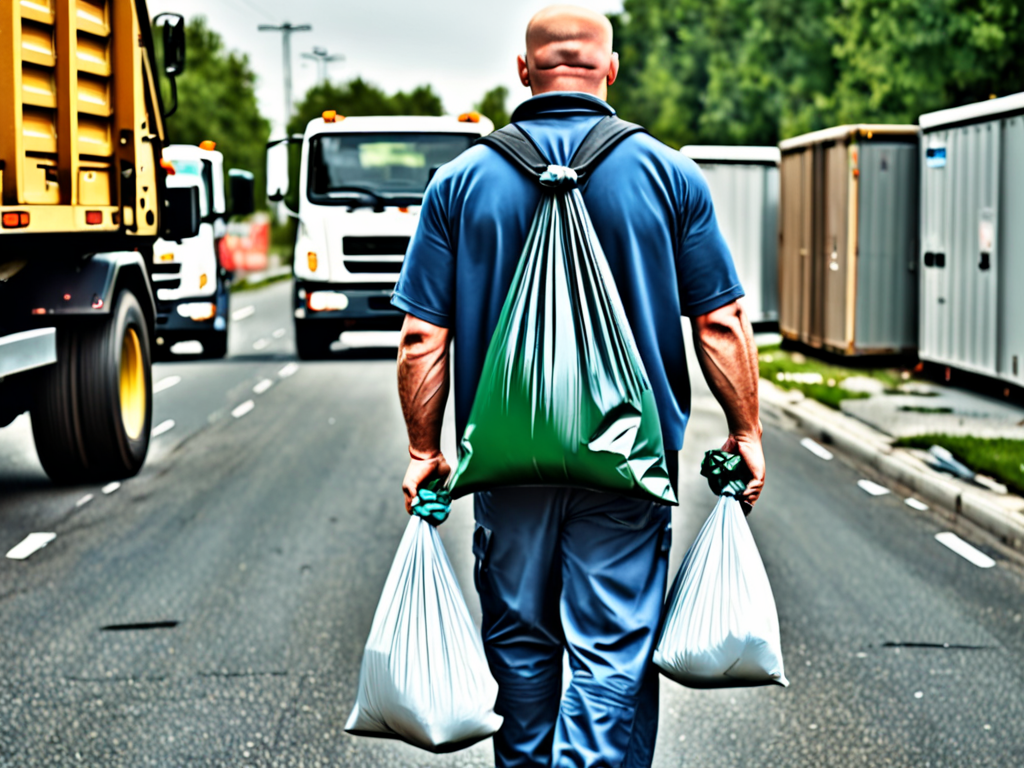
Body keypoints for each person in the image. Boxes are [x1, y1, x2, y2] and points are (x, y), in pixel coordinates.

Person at [392, 5, 764, 766]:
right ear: (612, 70)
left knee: (521, 651)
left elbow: (422, 337)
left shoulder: (460, 184)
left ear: (524, 71)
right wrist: (745, 433)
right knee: (611, 652)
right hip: (627, 465)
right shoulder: (667, 175)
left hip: (507, 462)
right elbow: (720, 324)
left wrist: (424, 449)